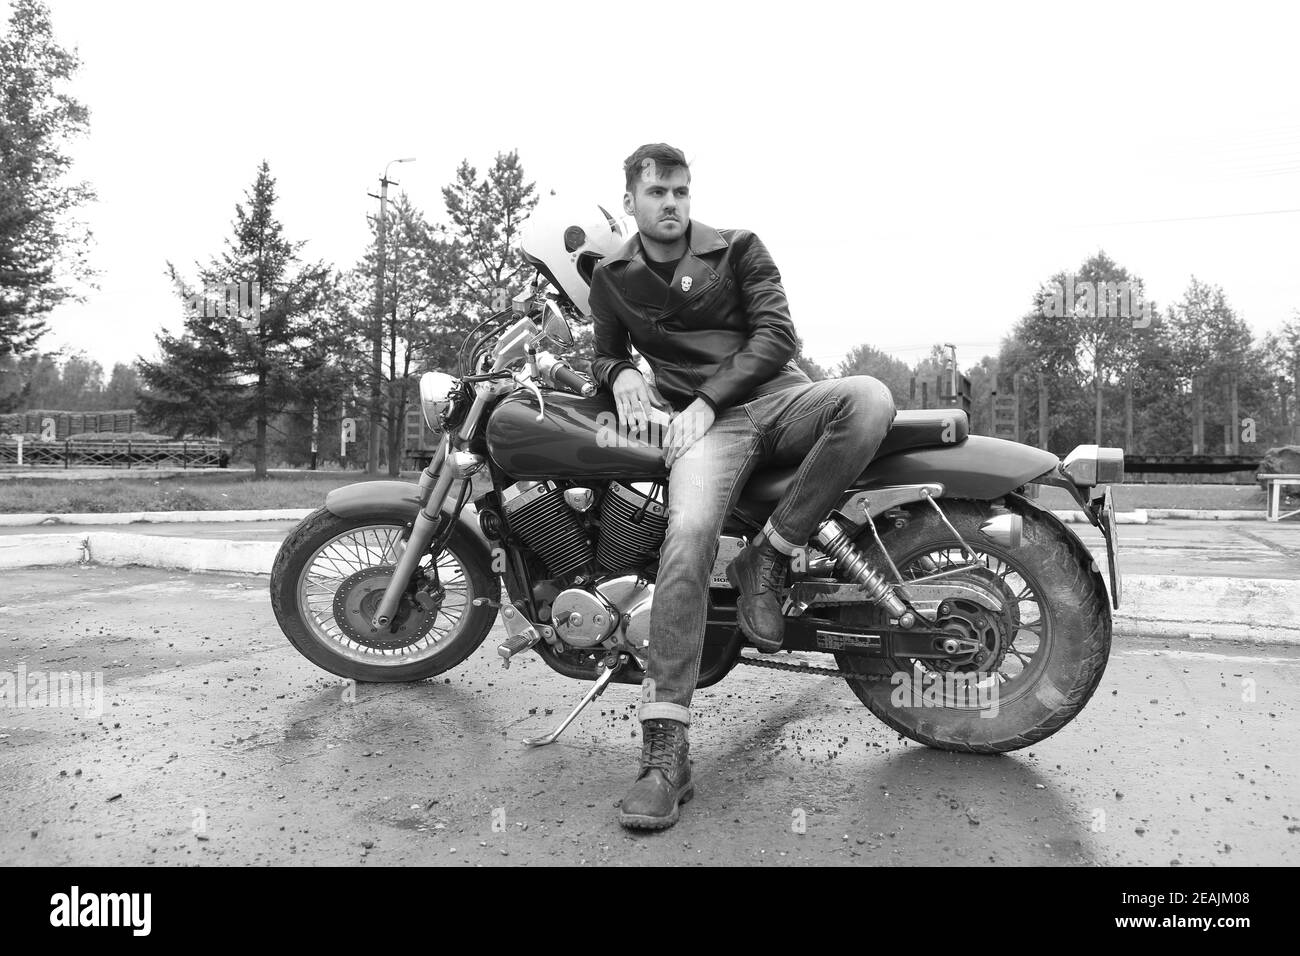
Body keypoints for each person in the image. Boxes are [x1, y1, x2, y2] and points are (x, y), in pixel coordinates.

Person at [585, 143, 898, 830]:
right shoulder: (611, 278)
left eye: (681, 192)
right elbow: (606, 349)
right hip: (712, 434)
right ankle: (666, 751)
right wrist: (620, 375)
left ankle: (771, 553)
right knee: (688, 537)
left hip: (782, 400)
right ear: (631, 200)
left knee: (870, 398)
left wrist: (703, 399)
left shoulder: (740, 248)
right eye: (658, 192)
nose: (672, 203)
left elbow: (777, 335)